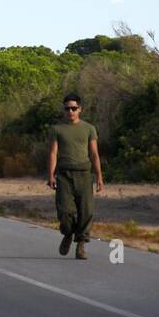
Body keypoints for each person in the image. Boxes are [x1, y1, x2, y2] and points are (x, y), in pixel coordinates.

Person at [47, 93, 103, 260]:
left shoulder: (89, 129)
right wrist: (51, 175)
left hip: (84, 175)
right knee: (64, 212)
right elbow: (53, 153)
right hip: (64, 175)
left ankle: (81, 245)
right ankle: (68, 233)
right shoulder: (57, 129)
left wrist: (99, 176)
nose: (70, 111)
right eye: (67, 108)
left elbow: (94, 154)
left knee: (86, 211)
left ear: (80, 109)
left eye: (73, 108)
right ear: (64, 110)